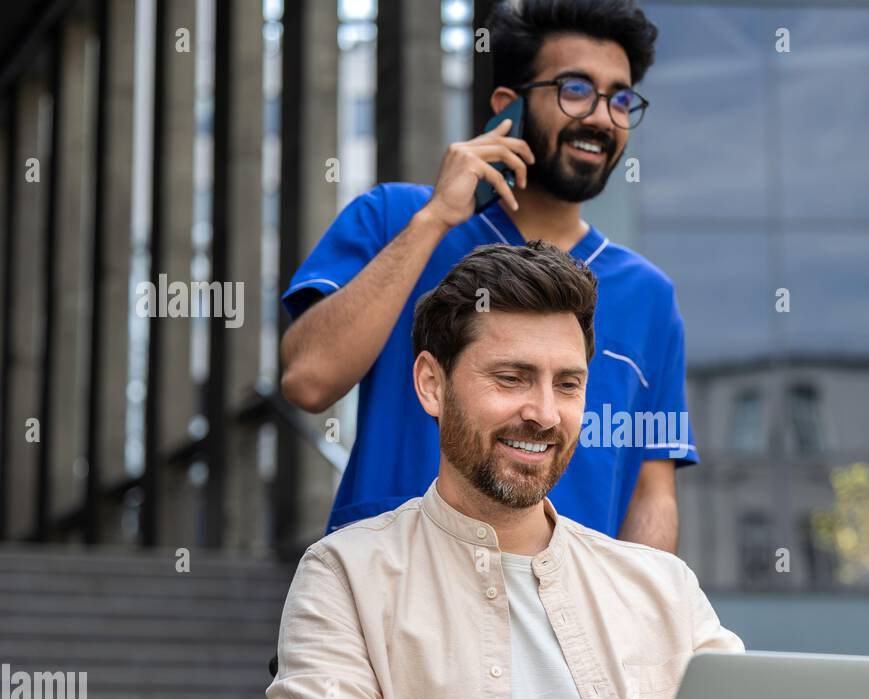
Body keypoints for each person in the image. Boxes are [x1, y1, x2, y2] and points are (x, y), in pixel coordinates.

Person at [266, 242, 744, 699]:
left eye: (567, 385)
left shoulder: (663, 585)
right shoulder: (345, 575)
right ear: (432, 384)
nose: (543, 413)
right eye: (511, 378)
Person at [279, 0, 694, 550]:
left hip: (558, 619)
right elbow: (308, 380)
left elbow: (652, 490)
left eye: (619, 99)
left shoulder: (649, 296)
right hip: (392, 590)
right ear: (509, 107)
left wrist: (646, 616)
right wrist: (435, 220)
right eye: (575, 90)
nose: (600, 116)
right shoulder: (396, 219)